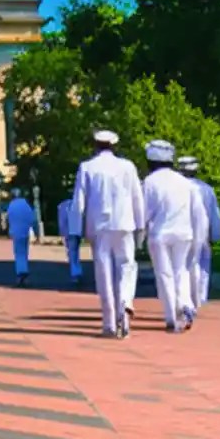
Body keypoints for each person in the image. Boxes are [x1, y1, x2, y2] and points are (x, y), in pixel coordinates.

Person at [72, 129, 144, 339]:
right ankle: (126, 304)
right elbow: (137, 197)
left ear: (95, 145)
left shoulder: (87, 167)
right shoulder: (127, 167)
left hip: (99, 227)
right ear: (114, 145)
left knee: (103, 273)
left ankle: (109, 323)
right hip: (124, 224)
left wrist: (75, 230)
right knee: (127, 266)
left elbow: (79, 202)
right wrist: (141, 225)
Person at [143, 140, 207, 333]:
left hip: (159, 234)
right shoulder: (185, 183)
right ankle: (185, 304)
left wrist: (139, 234)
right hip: (184, 233)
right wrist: (199, 240)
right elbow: (198, 214)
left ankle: (171, 316)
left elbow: (144, 212)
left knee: (164, 274)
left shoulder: (150, 182)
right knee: (181, 271)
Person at [178, 156, 220, 310]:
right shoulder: (206, 189)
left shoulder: (176, 186)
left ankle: (183, 298)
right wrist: (215, 235)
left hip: (181, 229)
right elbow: (214, 214)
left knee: (181, 265)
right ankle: (200, 296)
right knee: (201, 265)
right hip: (201, 232)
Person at [6, 188, 35, 286]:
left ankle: (21, 271)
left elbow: (9, 218)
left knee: (18, 252)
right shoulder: (26, 204)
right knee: (24, 251)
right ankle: (24, 270)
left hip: (15, 231)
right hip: (25, 231)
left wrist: (10, 229)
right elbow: (31, 217)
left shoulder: (12, 205)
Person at [56, 197, 83, 285]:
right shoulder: (78, 204)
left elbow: (62, 221)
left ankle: (75, 273)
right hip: (77, 231)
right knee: (76, 251)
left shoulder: (63, 206)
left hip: (69, 232)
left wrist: (62, 232)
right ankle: (77, 270)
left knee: (72, 252)